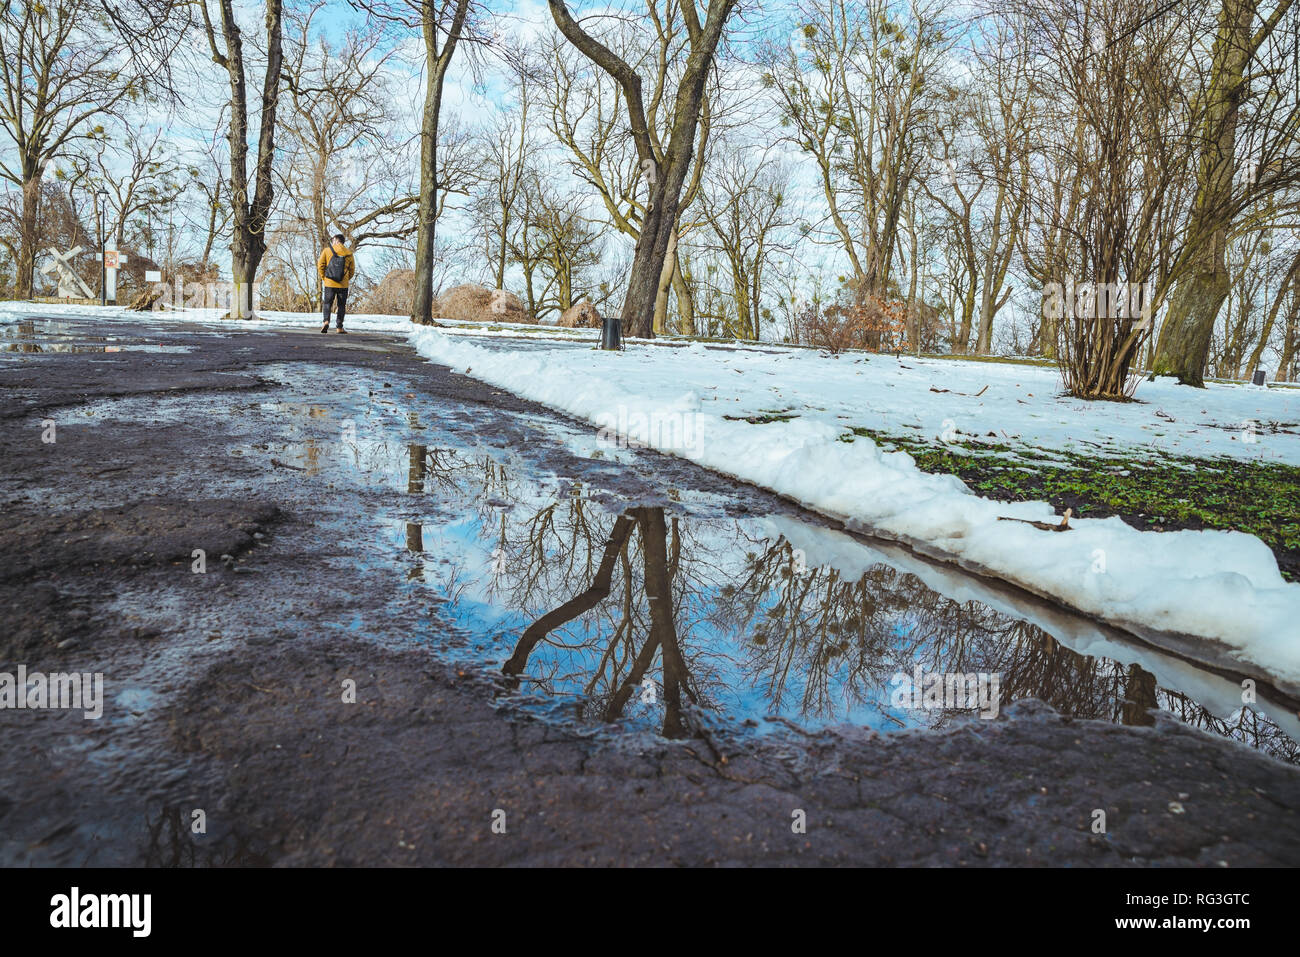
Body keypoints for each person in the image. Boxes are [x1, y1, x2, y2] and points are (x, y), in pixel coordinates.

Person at [317, 234, 355, 333]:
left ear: (337, 241)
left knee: (327, 303)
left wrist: (324, 278)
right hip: (343, 284)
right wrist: (346, 279)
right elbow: (352, 270)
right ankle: (339, 327)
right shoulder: (349, 253)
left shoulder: (327, 250)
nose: (332, 242)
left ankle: (326, 321)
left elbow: (320, 265)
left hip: (329, 282)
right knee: (341, 305)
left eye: (333, 240)